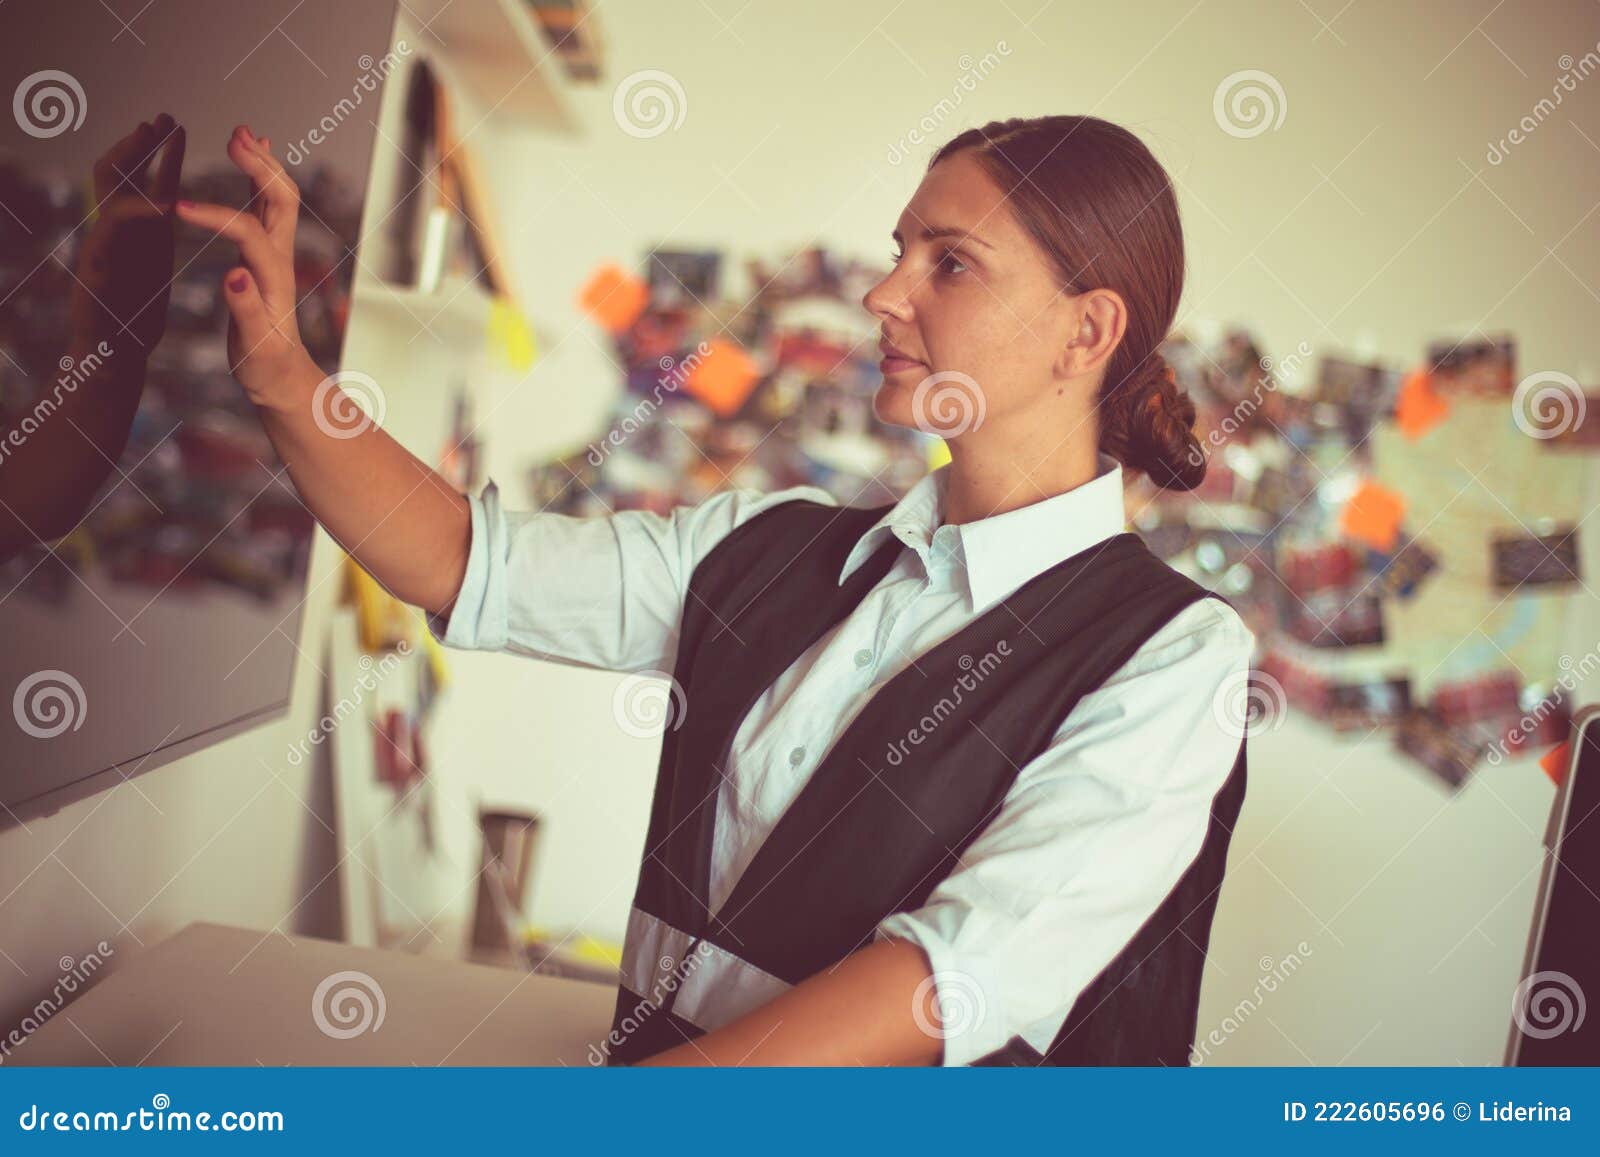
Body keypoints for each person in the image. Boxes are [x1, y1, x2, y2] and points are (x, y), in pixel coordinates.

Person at [175, 113, 1255, 1067]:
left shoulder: (1173, 652)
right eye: (899, 253)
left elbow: (946, 979)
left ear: (1087, 330)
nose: (882, 295)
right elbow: (459, 558)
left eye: (950, 264)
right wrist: (279, 367)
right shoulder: (766, 549)